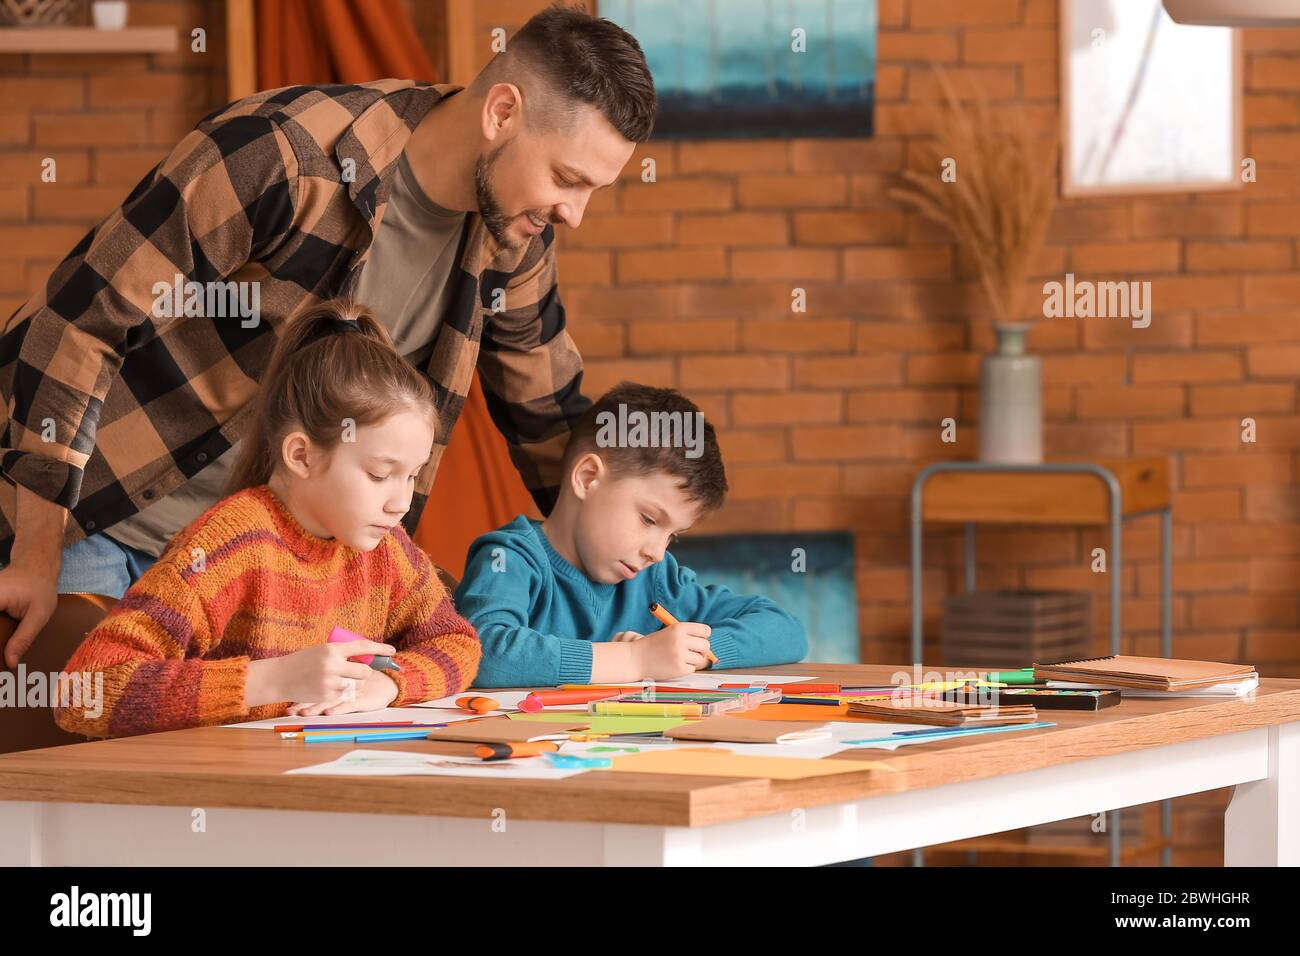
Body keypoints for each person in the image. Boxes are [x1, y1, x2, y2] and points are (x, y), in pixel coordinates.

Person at [0, 4, 656, 668]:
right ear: (502, 113)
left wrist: (644, 557)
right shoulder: (280, 154)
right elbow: (77, 324)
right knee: (83, 752)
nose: (574, 214)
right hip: (101, 530)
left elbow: (550, 426)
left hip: (266, 572)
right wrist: (33, 553)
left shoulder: (514, 237)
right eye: (568, 179)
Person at [55, 301, 481, 738]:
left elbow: (458, 643)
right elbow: (84, 693)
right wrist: (271, 680)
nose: (401, 503)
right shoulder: (231, 545)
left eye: (412, 475)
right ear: (301, 455)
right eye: (379, 474)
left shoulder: (386, 549)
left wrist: (387, 683)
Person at [455, 382, 808, 687]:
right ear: (588, 478)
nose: (657, 551)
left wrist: (689, 653)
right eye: (649, 520)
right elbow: (483, 653)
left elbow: (786, 630)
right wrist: (635, 660)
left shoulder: (656, 579)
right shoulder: (510, 558)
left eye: (674, 535)